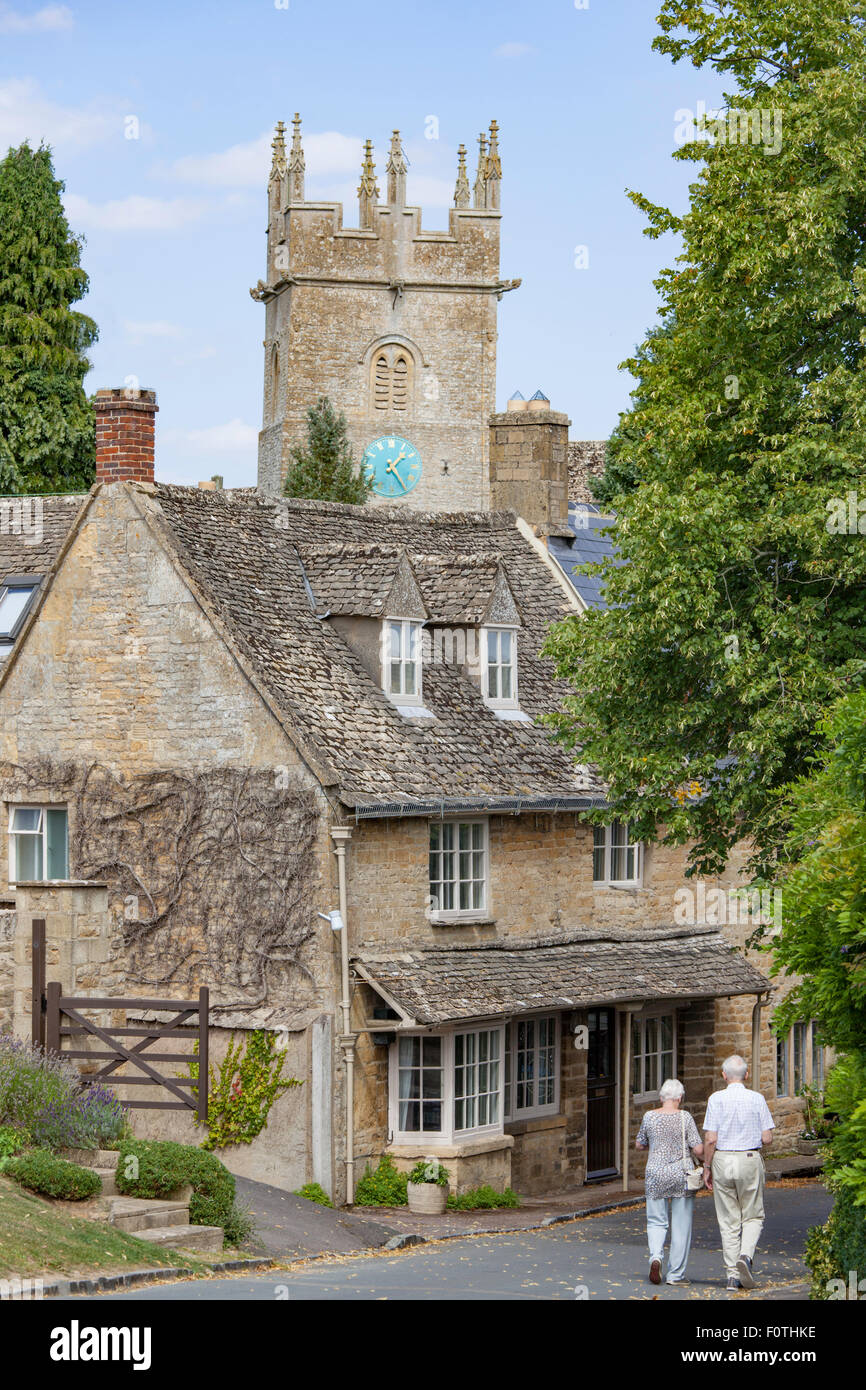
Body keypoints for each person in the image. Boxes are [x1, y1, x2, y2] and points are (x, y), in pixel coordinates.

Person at [703, 1054, 775, 1291]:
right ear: (747, 1074)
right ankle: (745, 1255)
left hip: (723, 1159)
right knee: (753, 1215)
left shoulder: (715, 1099)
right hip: (748, 1157)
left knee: (728, 1220)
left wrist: (706, 1167)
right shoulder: (757, 1099)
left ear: (723, 1075)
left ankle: (732, 1276)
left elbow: (711, 1138)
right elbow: (767, 1137)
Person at [636, 1078, 704, 1286]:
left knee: (656, 1221)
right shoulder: (685, 1117)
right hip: (680, 1175)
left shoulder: (649, 1117)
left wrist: (655, 1145)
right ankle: (675, 1275)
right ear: (680, 1098)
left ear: (661, 1097)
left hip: (655, 1173)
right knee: (681, 1224)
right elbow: (698, 1149)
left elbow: (639, 1144)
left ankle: (656, 1257)